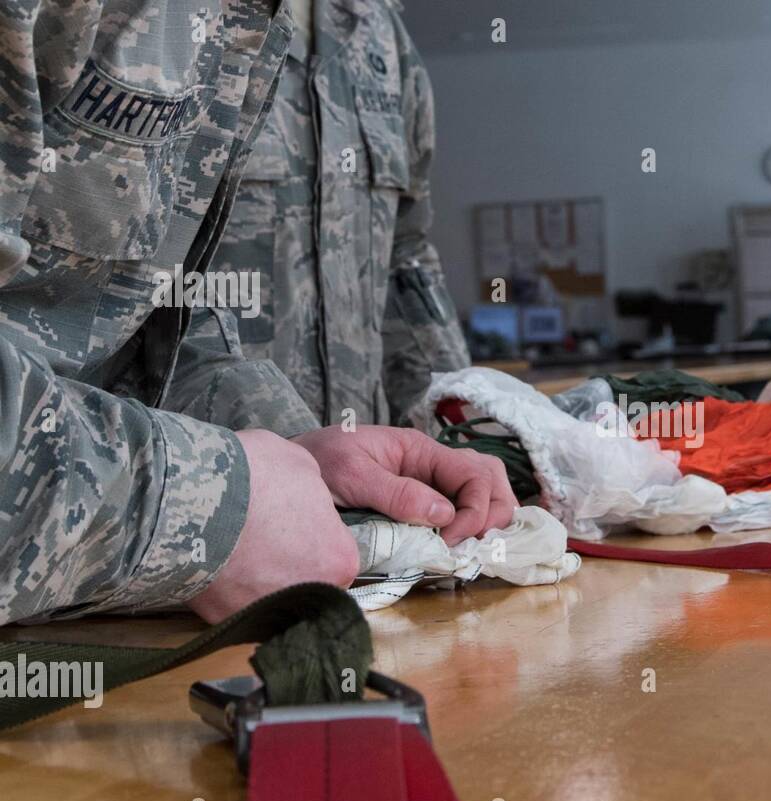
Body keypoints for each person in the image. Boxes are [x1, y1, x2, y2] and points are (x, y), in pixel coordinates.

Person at [0, 0, 514, 627]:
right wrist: (209, 505)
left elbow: (136, 321)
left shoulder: (294, 24)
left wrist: (291, 453)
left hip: (118, 602)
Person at [211, 0, 470, 428]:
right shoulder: (175, 18)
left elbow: (404, 252)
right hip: (225, 458)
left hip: (366, 454)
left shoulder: (379, 31)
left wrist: (455, 415)